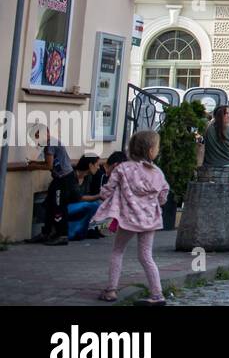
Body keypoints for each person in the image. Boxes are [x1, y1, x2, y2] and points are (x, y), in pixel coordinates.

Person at [92, 130, 169, 305]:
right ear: (151, 150)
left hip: (128, 219)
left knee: (118, 251)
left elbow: (107, 191)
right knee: (146, 256)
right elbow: (163, 196)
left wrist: (107, 196)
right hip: (149, 220)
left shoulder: (122, 168)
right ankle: (157, 294)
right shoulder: (157, 172)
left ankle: (111, 290)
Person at [28, 124, 78, 245]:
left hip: (64, 179)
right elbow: (49, 162)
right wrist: (35, 162)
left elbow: (49, 166)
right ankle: (46, 232)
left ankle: (62, 235)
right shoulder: (51, 143)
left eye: (37, 137)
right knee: (50, 204)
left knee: (58, 206)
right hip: (60, 178)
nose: (37, 141)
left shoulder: (50, 144)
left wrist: (34, 166)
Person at [66, 156, 105, 240]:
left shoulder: (88, 177)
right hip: (66, 207)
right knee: (94, 205)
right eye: (97, 165)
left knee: (98, 204)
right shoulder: (71, 176)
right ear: (90, 165)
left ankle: (85, 231)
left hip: (78, 205)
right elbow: (79, 198)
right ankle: (83, 231)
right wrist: (100, 195)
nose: (98, 168)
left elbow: (87, 194)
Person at [199, 104, 229, 182]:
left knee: (211, 191)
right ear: (221, 115)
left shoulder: (206, 129)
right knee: (227, 191)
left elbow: (201, 148)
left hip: (210, 167)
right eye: (227, 113)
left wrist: (199, 166)